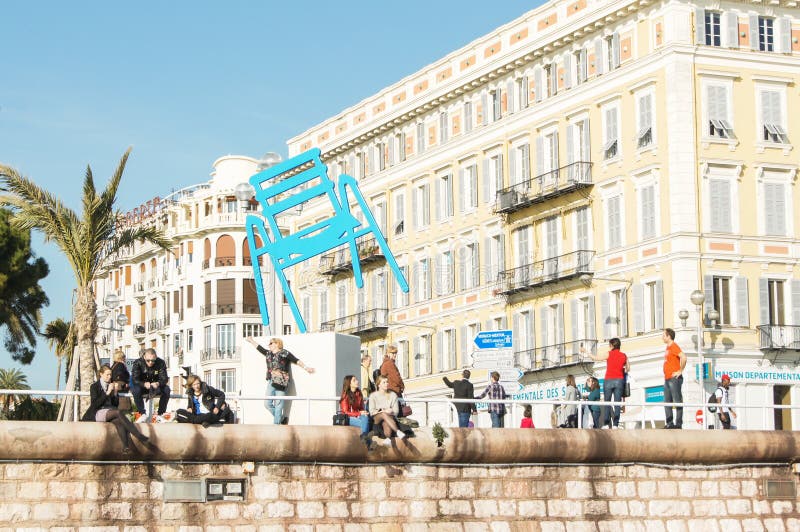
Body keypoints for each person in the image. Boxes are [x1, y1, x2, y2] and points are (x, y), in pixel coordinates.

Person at [246, 336, 315, 425]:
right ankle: (282, 418)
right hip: (271, 380)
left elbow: (296, 360)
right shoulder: (268, 353)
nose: (269, 345)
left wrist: (306, 368)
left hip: (281, 380)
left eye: (271, 343)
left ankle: (276, 425)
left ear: (277, 344)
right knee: (267, 403)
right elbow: (259, 348)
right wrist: (251, 341)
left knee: (279, 404)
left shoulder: (284, 353)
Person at [82, 365, 149, 454]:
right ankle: (138, 435)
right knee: (118, 412)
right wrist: (107, 392)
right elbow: (95, 404)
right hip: (98, 412)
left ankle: (125, 447)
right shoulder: (94, 386)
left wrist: (115, 392)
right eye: (107, 375)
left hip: (109, 411)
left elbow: (115, 404)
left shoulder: (111, 385)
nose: (109, 377)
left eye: (110, 375)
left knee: (118, 421)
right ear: (101, 374)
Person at [588, 338, 629, 429]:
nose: (609, 347)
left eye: (609, 345)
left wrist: (587, 352)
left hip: (609, 380)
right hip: (619, 381)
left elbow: (596, 358)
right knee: (617, 403)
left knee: (607, 402)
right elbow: (628, 368)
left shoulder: (609, 354)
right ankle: (615, 424)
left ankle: (606, 423)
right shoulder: (624, 356)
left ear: (612, 345)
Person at [130, 348, 171, 418]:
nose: (150, 362)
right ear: (144, 357)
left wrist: (158, 383)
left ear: (156, 357)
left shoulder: (160, 362)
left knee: (167, 389)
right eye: (148, 360)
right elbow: (135, 379)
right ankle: (142, 413)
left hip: (155, 386)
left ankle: (161, 413)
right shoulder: (138, 362)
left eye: (153, 360)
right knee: (136, 390)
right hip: (142, 386)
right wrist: (144, 384)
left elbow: (164, 378)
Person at [369, 375, 404, 446]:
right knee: (383, 414)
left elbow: (396, 411)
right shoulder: (373, 395)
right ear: (378, 385)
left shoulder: (393, 395)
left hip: (389, 417)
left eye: (387, 382)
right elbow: (372, 412)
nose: (387, 384)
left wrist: (391, 411)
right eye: (384, 382)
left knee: (386, 422)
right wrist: (382, 410)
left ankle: (388, 439)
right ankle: (397, 431)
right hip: (377, 418)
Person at [662, 328, 686, 429]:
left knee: (677, 401)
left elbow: (683, 357)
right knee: (667, 402)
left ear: (669, 336)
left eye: (664, 335)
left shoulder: (674, 346)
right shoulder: (668, 348)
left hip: (674, 378)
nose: (662, 337)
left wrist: (680, 371)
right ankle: (669, 423)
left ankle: (679, 423)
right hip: (667, 378)